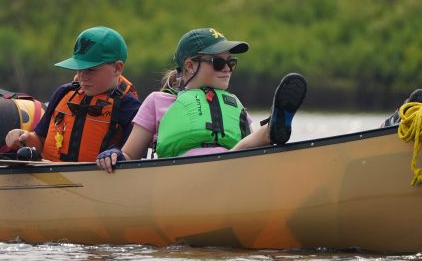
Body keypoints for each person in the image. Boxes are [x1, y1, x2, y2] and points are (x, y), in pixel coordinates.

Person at [96, 27, 307, 173]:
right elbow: (130, 154)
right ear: (189, 66)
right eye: (217, 62)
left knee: (244, 148)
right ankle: (269, 130)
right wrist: (115, 154)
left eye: (231, 63)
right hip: (180, 176)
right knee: (238, 152)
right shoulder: (158, 101)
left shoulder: (233, 103)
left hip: (231, 169)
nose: (227, 69)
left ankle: (272, 129)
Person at [4, 26, 142, 162]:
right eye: (78, 69)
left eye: (90, 70)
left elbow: (130, 157)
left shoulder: (129, 107)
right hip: (52, 179)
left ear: (117, 68)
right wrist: (24, 138)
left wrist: (117, 155)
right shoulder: (63, 93)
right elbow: (39, 141)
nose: (82, 76)